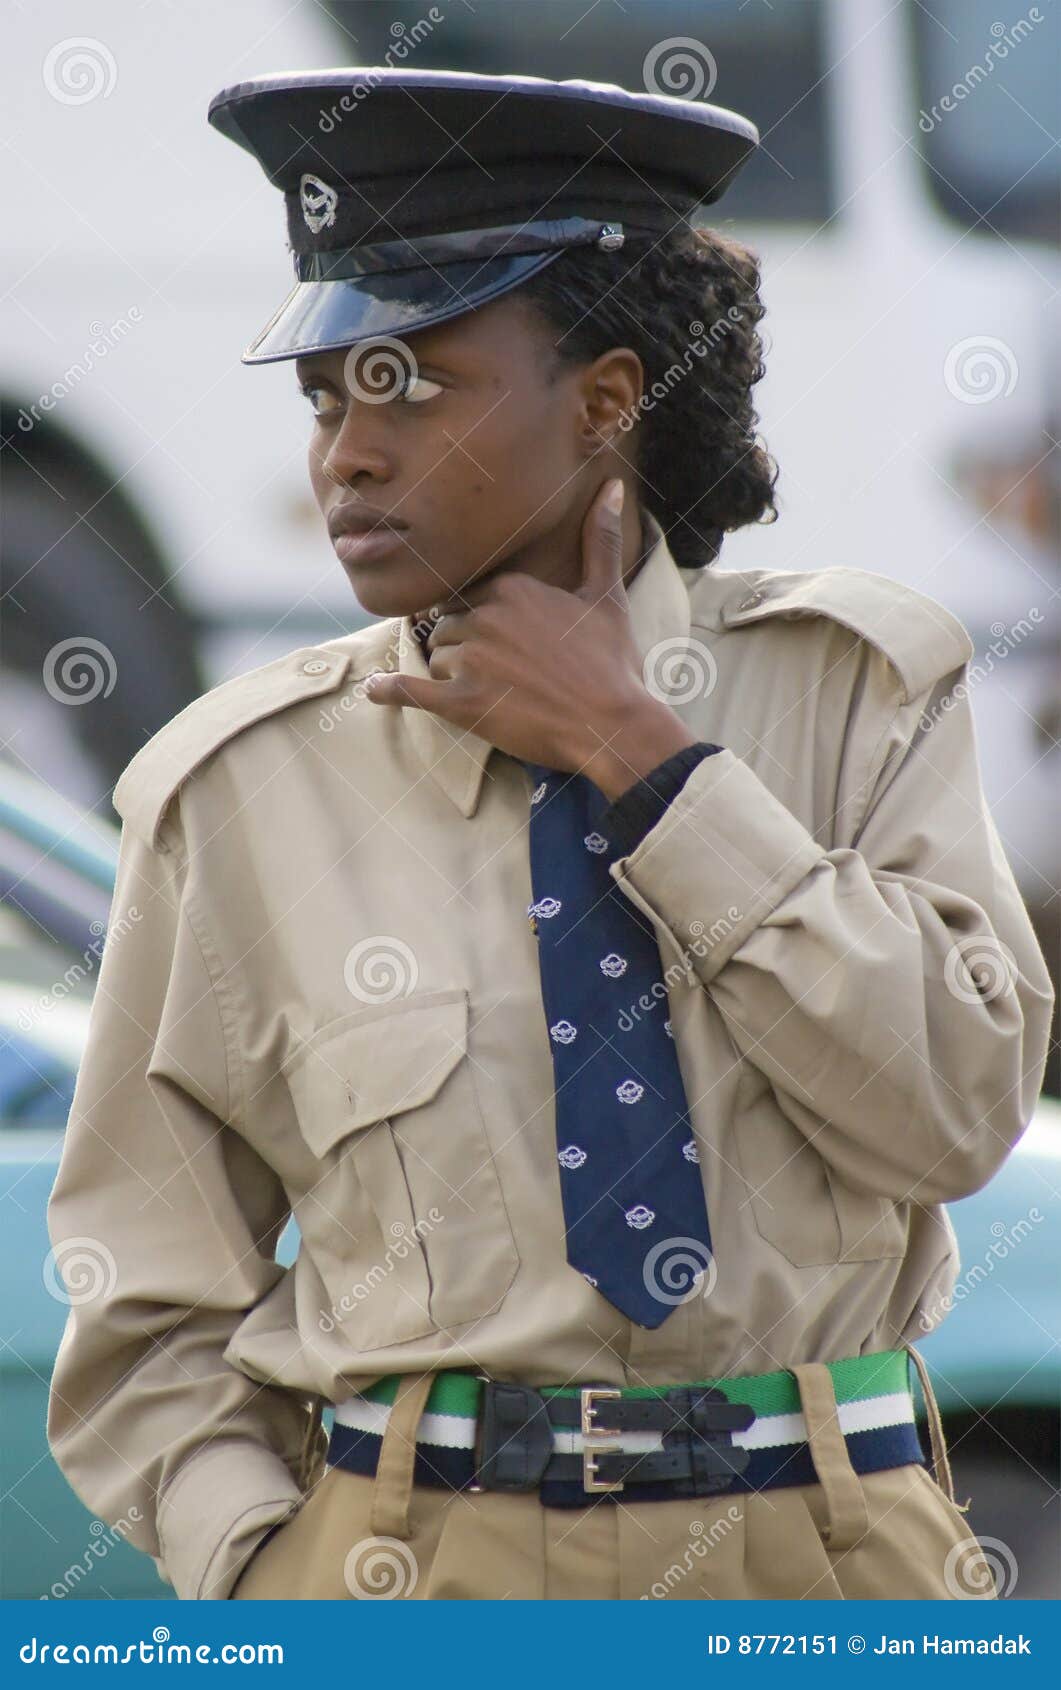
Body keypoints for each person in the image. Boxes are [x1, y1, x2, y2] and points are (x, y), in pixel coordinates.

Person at [46, 68, 1053, 1603]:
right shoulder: (235, 793)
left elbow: (950, 1112)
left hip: (828, 1566)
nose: (345, 456)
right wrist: (271, 1571)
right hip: (408, 1575)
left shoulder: (857, 696)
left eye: (408, 384)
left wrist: (643, 761)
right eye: (323, 400)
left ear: (602, 401)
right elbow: (144, 1313)